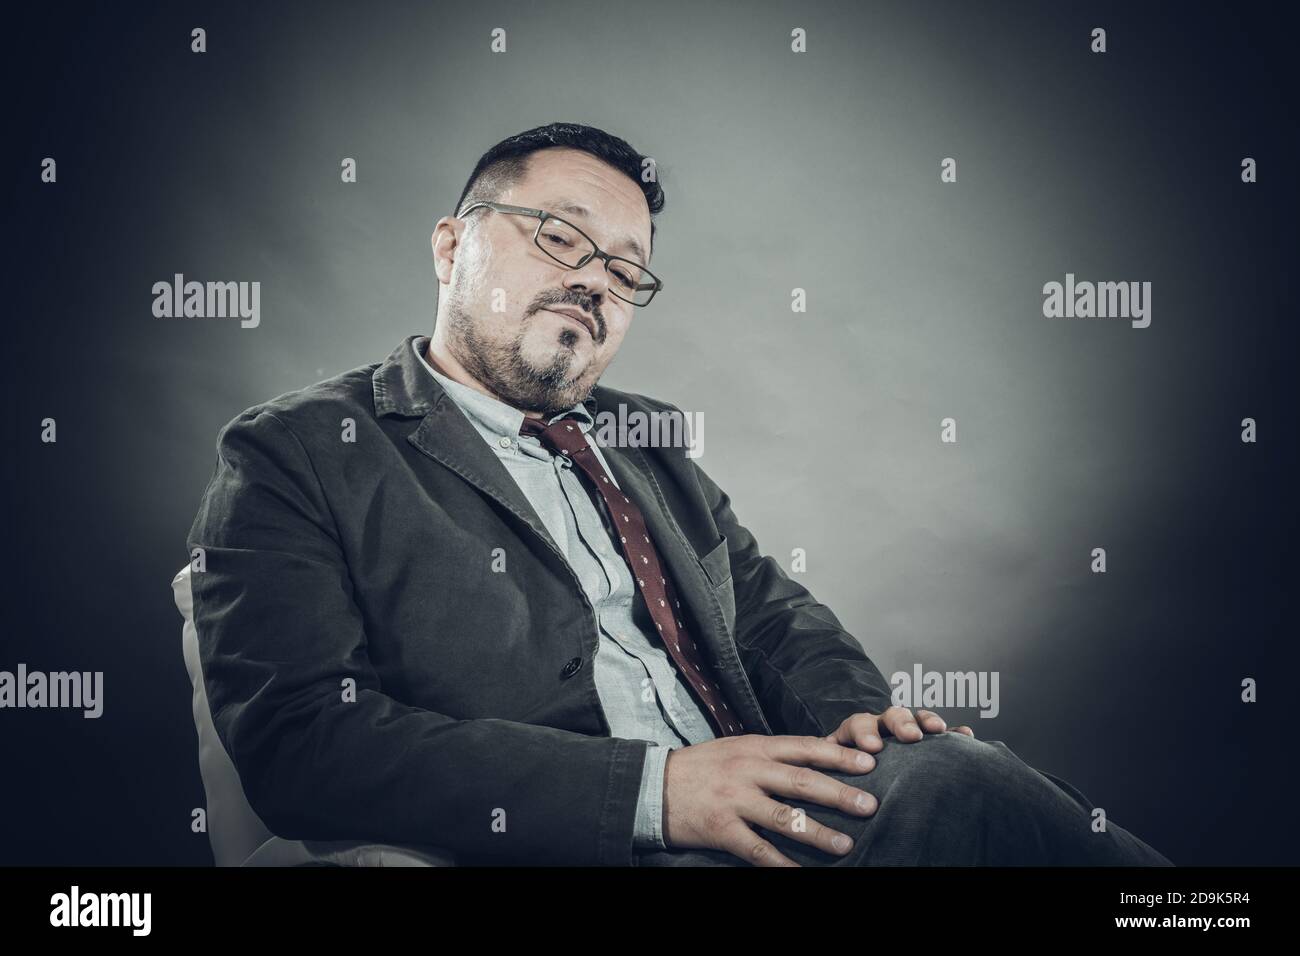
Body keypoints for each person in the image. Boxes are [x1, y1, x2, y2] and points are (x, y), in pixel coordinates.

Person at [187, 122, 1171, 867]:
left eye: (624, 271)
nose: (595, 286)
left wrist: (861, 725)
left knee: (960, 776)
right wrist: (653, 790)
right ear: (451, 246)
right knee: (970, 790)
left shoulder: (642, 435)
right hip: (575, 839)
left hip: (768, 822)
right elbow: (302, 740)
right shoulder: (300, 450)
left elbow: (776, 621)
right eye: (560, 240)